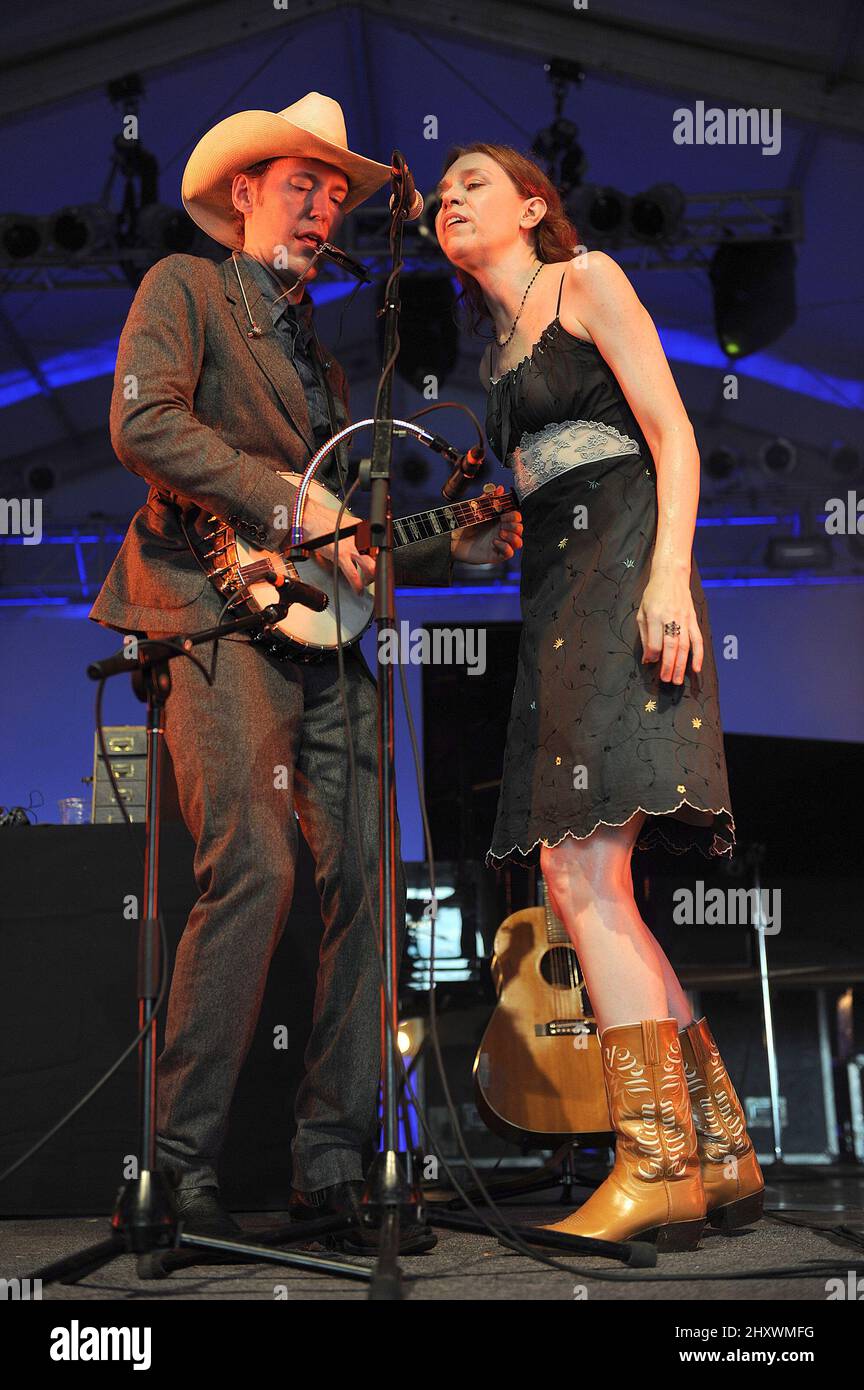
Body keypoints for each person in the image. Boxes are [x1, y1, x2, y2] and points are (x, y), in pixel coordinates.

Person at [88, 95, 522, 1249]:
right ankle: (178, 1168)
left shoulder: (333, 371)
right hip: (210, 620)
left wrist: (457, 541)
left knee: (374, 887)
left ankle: (334, 1162)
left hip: (318, 642)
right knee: (256, 870)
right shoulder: (184, 289)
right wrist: (290, 498)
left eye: (341, 195)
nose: (328, 209)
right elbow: (146, 426)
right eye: (305, 186)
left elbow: (344, 551)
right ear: (243, 192)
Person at [435, 142, 763, 1250]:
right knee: (588, 880)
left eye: (472, 181)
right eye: (441, 190)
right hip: (555, 597)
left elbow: (670, 433)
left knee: (581, 871)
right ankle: (717, 1148)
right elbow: (510, 520)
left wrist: (672, 573)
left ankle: (653, 1163)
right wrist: (483, 528)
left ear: (534, 206)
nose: (448, 196)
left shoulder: (590, 280)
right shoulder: (492, 355)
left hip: (626, 576)